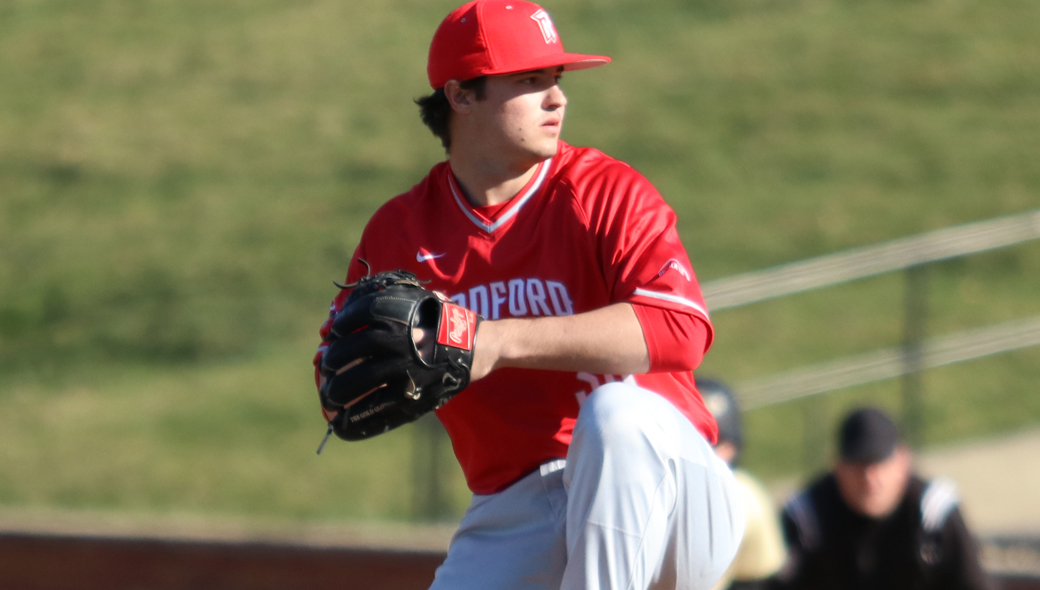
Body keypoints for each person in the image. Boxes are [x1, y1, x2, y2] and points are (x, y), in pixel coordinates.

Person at [312, 1, 743, 588]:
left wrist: (495, 340)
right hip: (520, 504)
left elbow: (681, 329)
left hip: (671, 491)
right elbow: (337, 387)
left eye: (555, 79)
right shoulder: (401, 233)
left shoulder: (605, 191)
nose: (557, 98)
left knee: (616, 414)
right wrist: (379, 372)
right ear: (461, 95)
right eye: (530, 80)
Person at [771, 407, 992, 590]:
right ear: (837, 466)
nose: (870, 478)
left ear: (903, 461)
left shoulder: (933, 514)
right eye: (859, 465)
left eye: (879, 463)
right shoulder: (806, 516)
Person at [699, 378, 786, 590]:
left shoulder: (747, 498)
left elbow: (755, 581)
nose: (705, 452)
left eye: (715, 443)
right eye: (697, 440)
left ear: (734, 447)